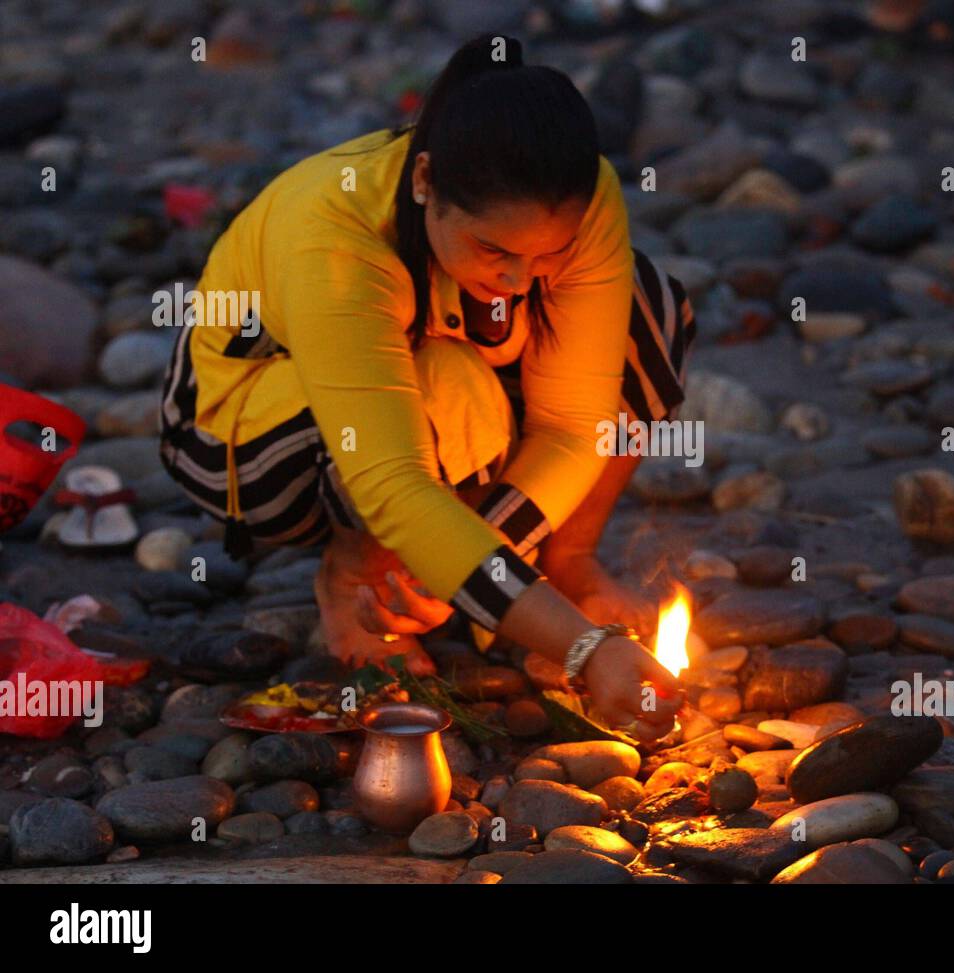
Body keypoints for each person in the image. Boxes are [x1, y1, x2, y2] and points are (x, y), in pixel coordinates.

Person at [158, 35, 693, 742]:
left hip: (447, 382)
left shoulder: (583, 196)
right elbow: (395, 481)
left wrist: (466, 562)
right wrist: (585, 649)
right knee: (439, 380)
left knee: (644, 305)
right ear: (424, 182)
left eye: (548, 255)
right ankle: (354, 581)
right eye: (495, 250)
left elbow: (573, 426)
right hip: (245, 433)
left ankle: (565, 563)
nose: (518, 280)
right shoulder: (336, 236)